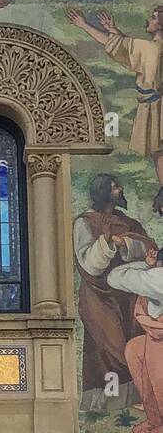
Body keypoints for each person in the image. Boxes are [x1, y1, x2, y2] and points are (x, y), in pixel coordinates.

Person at [73, 173, 154, 414]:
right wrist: (108, 242)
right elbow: (88, 263)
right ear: (104, 193)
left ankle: (132, 401)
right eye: (115, 187)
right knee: (107, 348)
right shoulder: (84, 223)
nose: (120, 190)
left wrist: (126, 244)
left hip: (127, 296)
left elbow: (148, 247)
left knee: (133, 343)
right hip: (99, 297)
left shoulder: (126, 221)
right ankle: (103, 404)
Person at [68, 7, 163, 188]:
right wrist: (114, 30)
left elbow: (117, 46)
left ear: (161, 25)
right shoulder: (153, 48)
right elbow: (126, 46)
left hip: (154, 107)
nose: (148, 20)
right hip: (155, 103)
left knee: (158, 153)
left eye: (153, 18)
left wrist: (83, 25)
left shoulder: (149, 49)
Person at [106, 254, 163, 433]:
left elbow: (114, 277)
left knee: (155, 365)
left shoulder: (157, 277)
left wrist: (146, 264)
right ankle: (155, 415)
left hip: (159, 337)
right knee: (135, 349)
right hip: (157, 333)